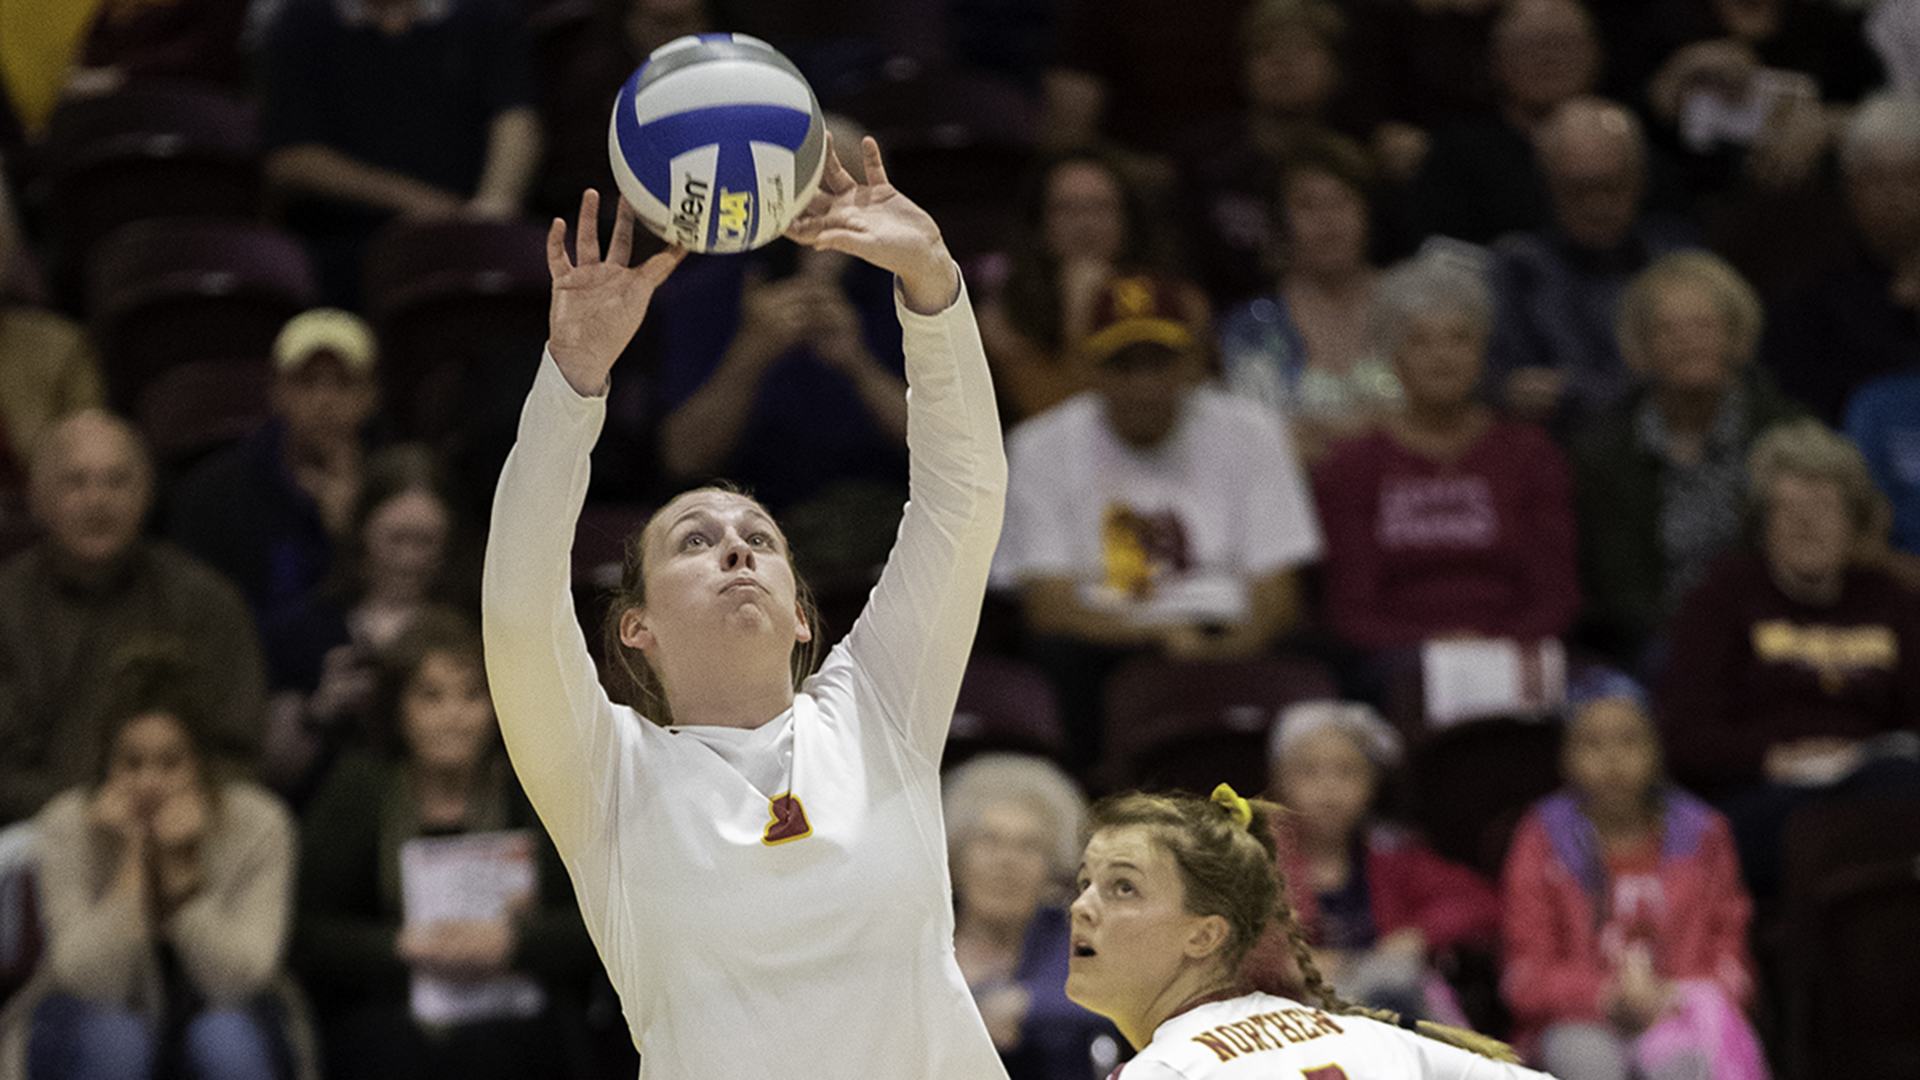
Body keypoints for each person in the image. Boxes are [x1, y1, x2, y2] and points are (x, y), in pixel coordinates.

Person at [480, 135, 1012, 1077]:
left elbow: (963, 499)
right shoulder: (607, 776)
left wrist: (932, 282)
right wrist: (573, 380)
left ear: (802, 615)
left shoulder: (877, 709)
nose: (735, 548)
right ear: (636, 628)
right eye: (695, 540)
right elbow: (519, 611)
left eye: (760, 540)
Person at [990, 273, 1323, 769]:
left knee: (1313, 655)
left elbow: (1278, 589)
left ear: (1193, 363)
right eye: (1122, 366)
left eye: (1160, 362)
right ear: (1087, 369)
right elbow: (1048, 605)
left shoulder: (1252, 432)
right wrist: (1160, 638)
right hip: (1103, 641)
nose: (1143, 384)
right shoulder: (1040, 446)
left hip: (1229, 628)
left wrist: (1228, 647)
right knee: (1053, 656)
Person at [291, 607, 598, 1080]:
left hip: (519, 1021)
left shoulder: (532, 791)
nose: (453, 717)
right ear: (398, 708)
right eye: (431, 697)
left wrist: (516, 941)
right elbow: (307, 932)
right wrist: (400, 945)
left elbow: (596, 925)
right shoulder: (360, 790)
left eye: (472, 695)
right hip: (391, 1019)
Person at [1064, 784, 1552, 1078]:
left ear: (1204, 936)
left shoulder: (1169, 1068)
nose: (1080, 907)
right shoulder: (1364, 1032)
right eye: (1084, 884)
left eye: (1123, 888)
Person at [0, 642, 300, 1080]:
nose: (149, 782)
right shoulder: (70, 824)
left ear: (201, 766)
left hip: (230, 1013)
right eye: (131, 763)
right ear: (106, 765)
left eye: (170, 763)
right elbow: (89, 982)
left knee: (225, 1035)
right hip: (85, 1021)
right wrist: (132, 862)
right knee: (118, 1037)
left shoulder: (259, 825)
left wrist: (181, 877)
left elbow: (240, 982)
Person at [1653, 418, 1920, 903]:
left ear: (1854, 521)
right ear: (1762, 523)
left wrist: (1864, 757)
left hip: (1876, 786)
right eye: (1788, 509)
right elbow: (1685, 738)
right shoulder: (1723, 598)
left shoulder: (1891, 602)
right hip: (1762, 794)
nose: (1806, 524)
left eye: (1824, 508)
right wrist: (1774, 760)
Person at [1312, 246, 1580, 664]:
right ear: (1393, 358)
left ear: (1483, 351)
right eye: (1420, 340)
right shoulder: (1354, 465)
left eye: (1459, 338)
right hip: (1397, 658)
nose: (1443, 356)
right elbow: (1353, 609)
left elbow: (1555, 594)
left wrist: (1493, 650)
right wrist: (1435, 650)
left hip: (1516, 650)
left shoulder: (1531, 454)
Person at [0, 409, 265, 825]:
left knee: (264, 820)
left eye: (117, 481)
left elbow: (238, 750)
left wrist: (161, 808)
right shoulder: (7, 605)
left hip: (183, 825)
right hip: (35, 830)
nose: (97, 501)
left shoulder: (203, 600)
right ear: (38, 498)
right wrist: (85, 812)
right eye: (76, 482)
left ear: (147, 493)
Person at [1500, 670, 1766, 1080]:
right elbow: (1525, 976)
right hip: (1576, 1017)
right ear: (1565, 756)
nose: (1613, 760)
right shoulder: (1543, 838)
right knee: (1586, 1061)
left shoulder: (1702, 834)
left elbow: (1731, 951)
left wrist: (1673, 995)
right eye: (1592, 743)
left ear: (1658, 749)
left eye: (1629, 740)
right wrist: (1605, 996)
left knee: (1679, 1061)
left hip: (1679, 1010)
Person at [1570, 250, 1806, 674]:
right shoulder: (1606, 453)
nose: (1687, 340)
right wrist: (1700, 639)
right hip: (1659, 642)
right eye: (1667, 329)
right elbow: (1620, 592)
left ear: (1736, 336)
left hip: (1782, 629)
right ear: (1641, 348)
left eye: (1703, 325)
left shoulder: (1790, 434)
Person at [253, 0, 542, 309]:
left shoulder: (486, 14)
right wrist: (427, 207)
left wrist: (492, 210)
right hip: (346, 247)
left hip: (472, 240)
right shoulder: (303, 21)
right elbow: (290, 158)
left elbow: (516, 118)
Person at [258, 443, 474, 804]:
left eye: (425, 542)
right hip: (325, 809)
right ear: (362, 532)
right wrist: (318, 711)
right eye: (396, 538)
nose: (408, 559)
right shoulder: (298, 631)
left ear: (448, 544)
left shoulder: (471, 628)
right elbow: (266, 770)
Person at [1267, 702, 1501, 1024]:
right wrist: (1280, 964)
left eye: (1347, 771)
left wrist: (1420, 934)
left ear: (1372, 783)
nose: (1329, 787)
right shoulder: (1254, 857)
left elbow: (1481, 902)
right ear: (1279, 781)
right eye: (1308, 771)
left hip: (1388, 1003)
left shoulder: (1392, 855)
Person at [1486, 97, 1699, 430]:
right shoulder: (1517, 267)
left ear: (1641, 179)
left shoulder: (1678, 255)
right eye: (1578, 190)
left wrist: (1569, 391)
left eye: (1612, 186)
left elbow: (1698, 381)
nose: (1597, 206)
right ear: (1548, 186)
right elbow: (1502, 388)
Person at [166, 308, 382, 624]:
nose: (324, 401)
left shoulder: (399, 487)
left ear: (371, 396)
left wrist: (351, 533)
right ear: (277, 392)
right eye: (306, 382)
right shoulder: (216, 494)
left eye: (343, 383)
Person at [978, 147, 1200, 427]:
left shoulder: (1182, 302)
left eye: (1100, 207)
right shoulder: (1000, 322)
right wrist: (1080, 310)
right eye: (1066, 209)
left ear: (1128, 220)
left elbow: (1192, 409)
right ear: (1039, 225)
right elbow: (1055, 424)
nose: (1085, 225)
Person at [1218, 134, 1399, 465]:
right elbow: (1261, 440)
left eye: (1342, 200)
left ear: (1366, 212)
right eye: (1307, 205)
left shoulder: (1411, 304)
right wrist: (1380, 427)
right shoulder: (1252, 326)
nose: (1328, 220)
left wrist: (1324, 430)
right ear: (1280, 222)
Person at [944, 753, 1123, 1080]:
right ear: (955, 858)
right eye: (989, 840)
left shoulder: (1072, 936)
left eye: (1028, 846)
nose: (1007, 862)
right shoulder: (922, 939)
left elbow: (1124, 997)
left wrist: (1026, 1004)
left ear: (1052, 868)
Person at [1405, 0, 1602, 248]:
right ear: (1494, 61)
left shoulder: (1633, 142)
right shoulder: (1457, 157)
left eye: (1564, 43)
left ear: (1597, 55)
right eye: (1529, 45)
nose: (1548, 57)